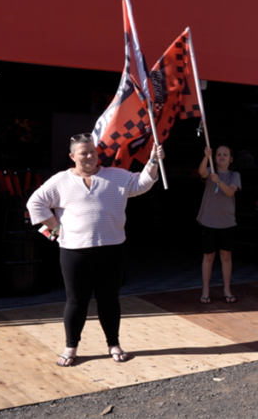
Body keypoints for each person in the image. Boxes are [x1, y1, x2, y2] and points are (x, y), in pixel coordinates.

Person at [26, 133, 164, 367]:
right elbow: (34, 203)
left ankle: (113, 344)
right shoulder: (60, 181)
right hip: (74, 252)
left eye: (92, 151)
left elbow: (142, 184)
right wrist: (56, 227)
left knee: (109, 299)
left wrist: (152, 161)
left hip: (112, 249)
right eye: (83, 153)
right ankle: (71, 347)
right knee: (76, 301)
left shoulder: (116, 176)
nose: (90, 156)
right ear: (72, 156)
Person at [197, 145, 241, 304]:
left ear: (231, 159)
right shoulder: (210, 171)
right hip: (209, 221)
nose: (221, 157)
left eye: (225, 154)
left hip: (227, 222)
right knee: (208, 256)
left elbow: (230, 191)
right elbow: (201, 172)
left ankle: (227, 289)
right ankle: (205, 289)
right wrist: (205, 156)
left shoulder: (235, 175)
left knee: (226, 256)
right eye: (218, 154)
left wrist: (219, 181)